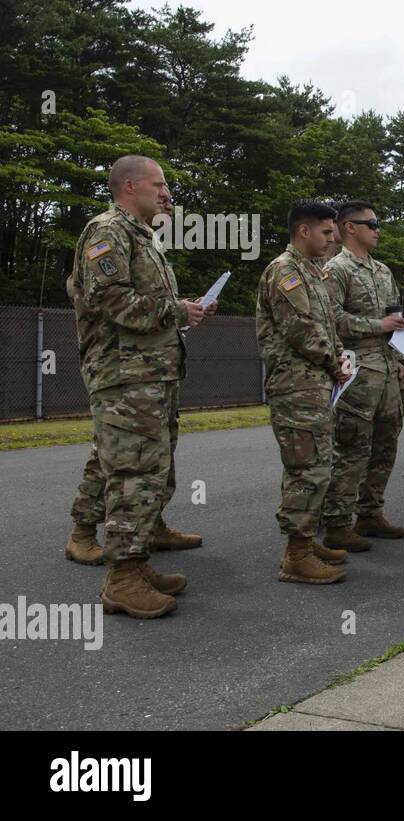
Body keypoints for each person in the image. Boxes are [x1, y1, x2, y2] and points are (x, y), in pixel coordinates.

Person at [68, 155, 211, 617]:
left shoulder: (142, 237)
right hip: (124, 375)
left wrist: (180, 309)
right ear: (130, 186)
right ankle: (122, 579)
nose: (166, 192)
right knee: (132, 474)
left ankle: (139, 556)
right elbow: (106, 296)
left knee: (152, 466)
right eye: (159, 184)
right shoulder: (107, 230)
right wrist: (175, 311)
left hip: (150, 374)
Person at [256, 200, 351, 583]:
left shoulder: (312, 272)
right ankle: (296, 556)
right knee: (306, 470)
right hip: (297, 386)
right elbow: (300, 329)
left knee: (317, 465)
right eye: (327, 232)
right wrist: (334, 361)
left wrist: (337, 360)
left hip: (314, 385)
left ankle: (307, 541)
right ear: (303, 231)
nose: (335, 238)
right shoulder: (286, 271)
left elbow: (326, 327)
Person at [320, 201, 404, 551]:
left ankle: (370, 513)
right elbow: (330, 319)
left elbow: (395, 318)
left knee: (386, 445)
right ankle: (337, 524)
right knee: (353, 448)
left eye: (378, 222)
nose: (377, 229)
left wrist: (399, 354)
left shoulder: (383, 271)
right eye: (370, 223)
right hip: (356, 369)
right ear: (350, 228)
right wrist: (378, 325)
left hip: (386, 368)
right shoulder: (336, 269)